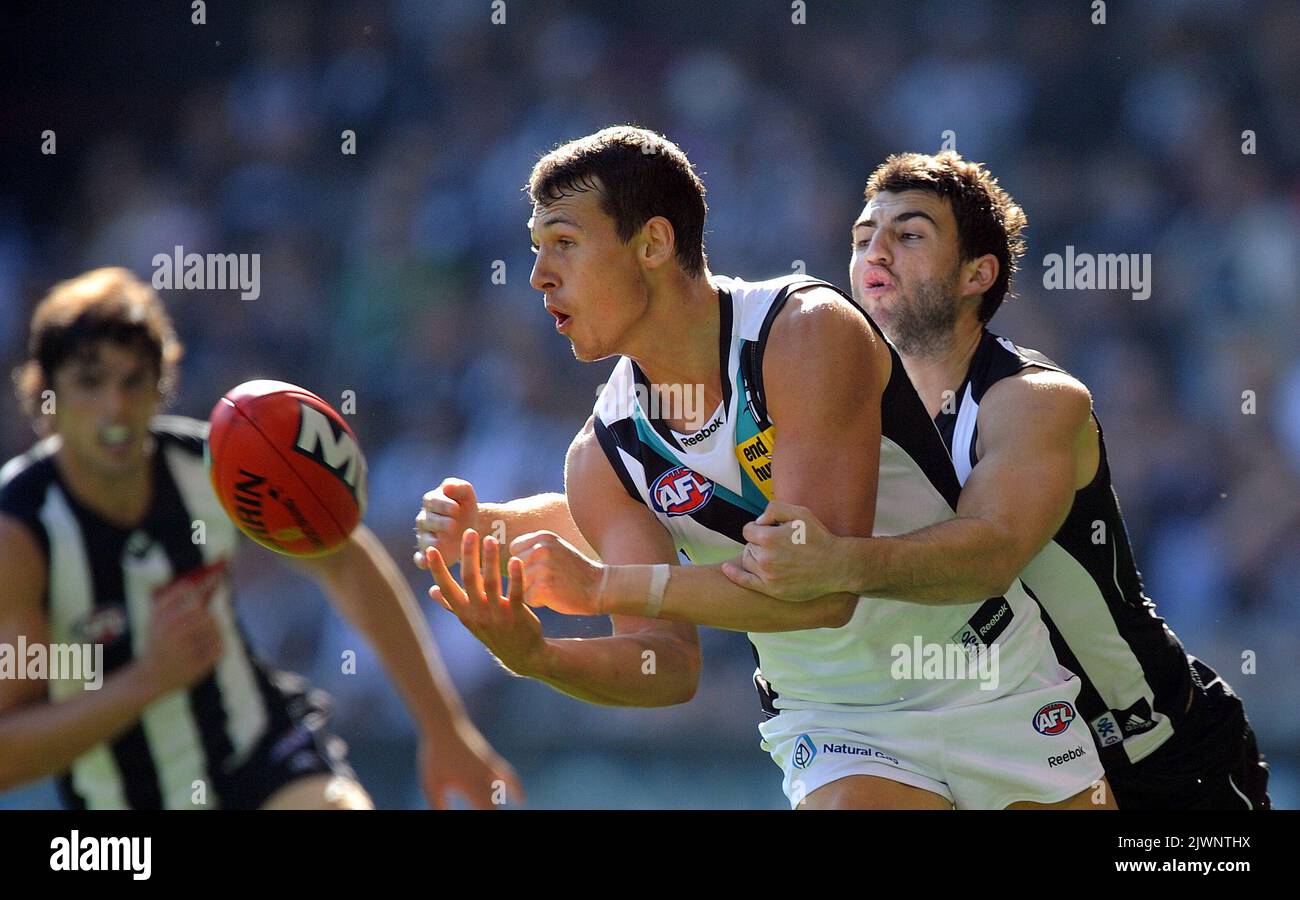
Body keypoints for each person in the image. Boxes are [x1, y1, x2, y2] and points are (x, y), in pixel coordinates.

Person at [416, 126, 1112, 810]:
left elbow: (822, 588)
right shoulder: (602, 456)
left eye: (564, 243)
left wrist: (603, 586)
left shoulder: (804, 329)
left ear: (654, 243)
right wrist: (538, 655)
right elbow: (669, 666)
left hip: (989, 674)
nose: (538, 276)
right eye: (536, 249)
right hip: (837, 720)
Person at [720, 152, 1270, 810]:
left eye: (910, 234)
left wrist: (831, 564)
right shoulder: (835, 410)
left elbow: (985, 555)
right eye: (864, 237)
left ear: (977, 274)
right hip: (969, 743)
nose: (877, 251)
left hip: (1153, 754)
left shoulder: (1036, 400)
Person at [0, 267, 520, 810]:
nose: (114, 408)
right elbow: (7, 756)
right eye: (89, 383)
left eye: (133, 382)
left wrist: (444, 729)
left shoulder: (219, 467)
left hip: (262, 760)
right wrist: (148, 679)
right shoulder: (18, 534)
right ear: (45, 396)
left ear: (161, 386)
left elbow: (346, 563)